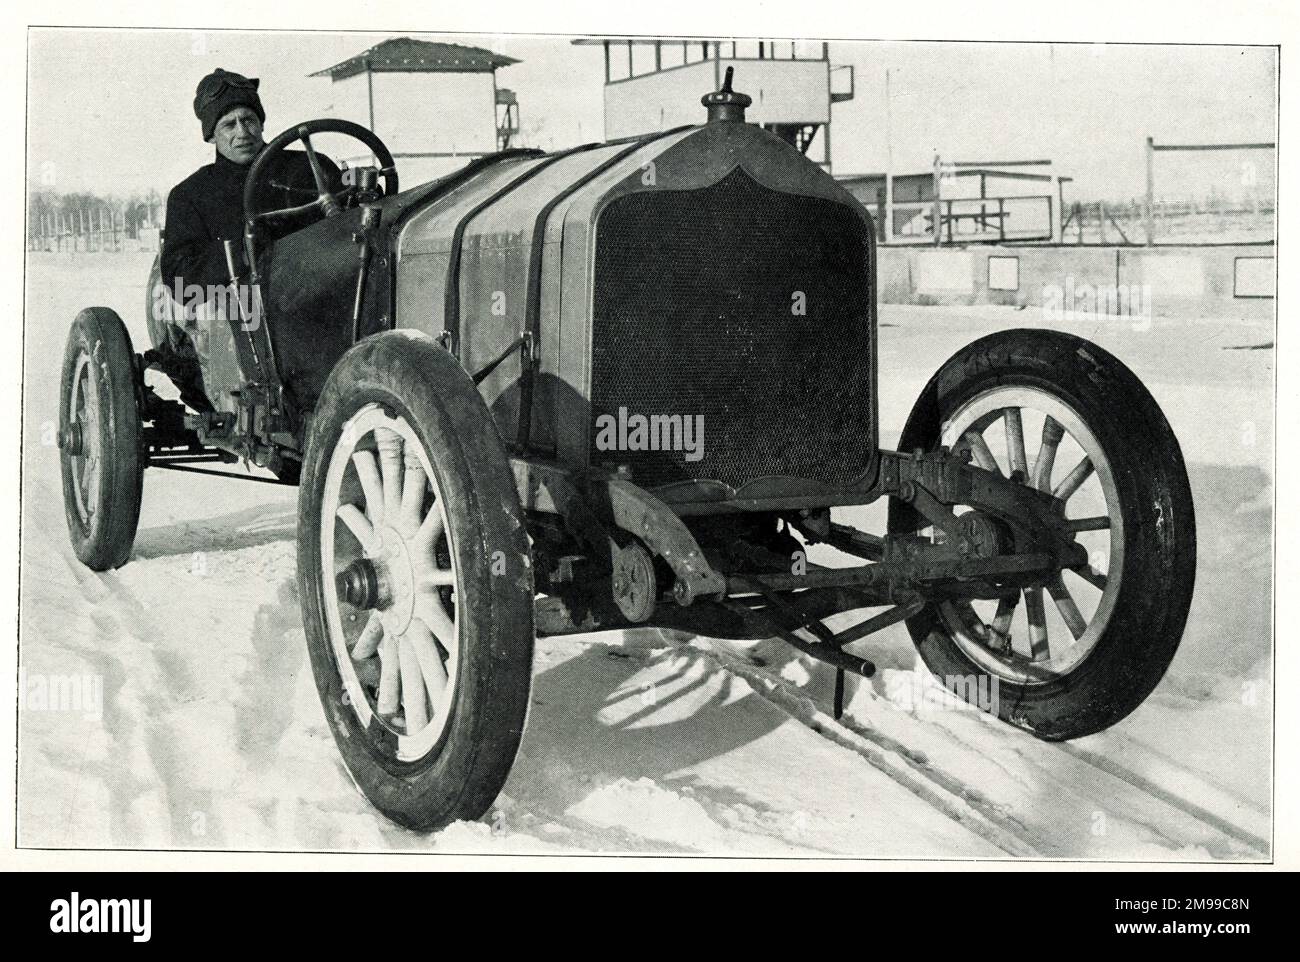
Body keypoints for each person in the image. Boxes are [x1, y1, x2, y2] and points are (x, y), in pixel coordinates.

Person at [153, 68, 342, 409]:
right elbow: (181, 283)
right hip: (248, 324)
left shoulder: (312, 169)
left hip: (331, 302)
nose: (242, 132)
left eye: (249, 119)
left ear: (261, 122)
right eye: (229, 124)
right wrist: (244, 253)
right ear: (211, 136)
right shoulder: (191, 195)